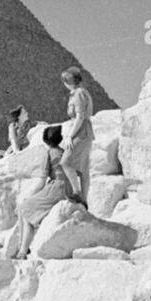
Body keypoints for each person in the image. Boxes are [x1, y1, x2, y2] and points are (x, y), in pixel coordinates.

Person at [13, 125, 76, 260]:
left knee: (26, 208)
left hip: (56, 188)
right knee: (27, 207)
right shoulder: (64, 152)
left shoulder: (48, 154)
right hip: (68, 188)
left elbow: (41, 182)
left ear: (45, 140)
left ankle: (23, 251)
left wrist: (28, 196)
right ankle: (23, 249)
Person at [61, 68, 94, 204]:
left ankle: (77, 192)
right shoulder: (80, 92)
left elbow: (80, 116)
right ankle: (84, 201)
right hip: (85, 130)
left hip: (81, 131)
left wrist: (69, 136)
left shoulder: (78, 94)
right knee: (84, 169)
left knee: (65, 162)